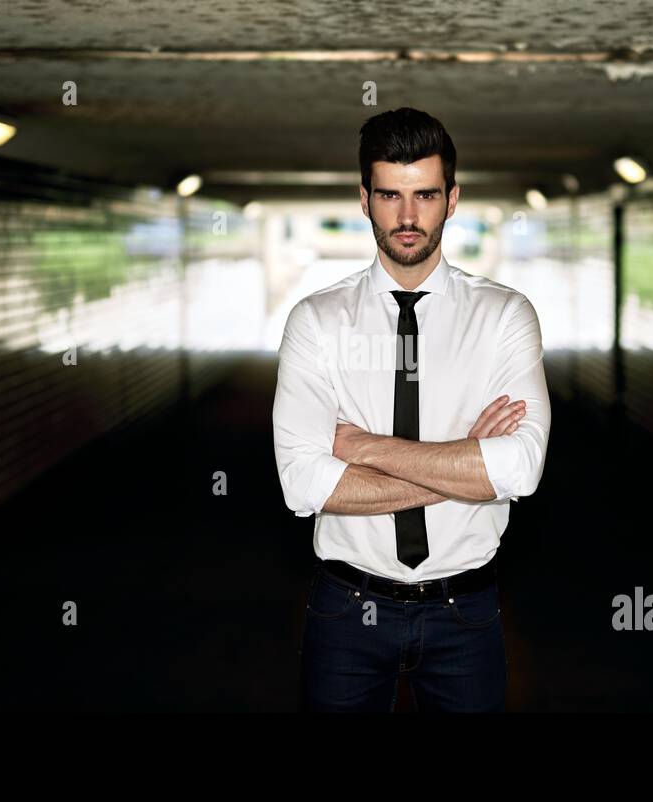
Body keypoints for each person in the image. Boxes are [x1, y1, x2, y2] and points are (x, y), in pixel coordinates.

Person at [272, 107, 551, 712]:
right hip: (347, 610)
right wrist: (464, 467)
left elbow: (520, 469)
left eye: (424, 194)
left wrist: (365, 448)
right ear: (365, 200)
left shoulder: (505, 316)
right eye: (389, 195)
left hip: (465, 612)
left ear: (452, 200)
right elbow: (302, 482)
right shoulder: (317, 321)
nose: (406, 216)